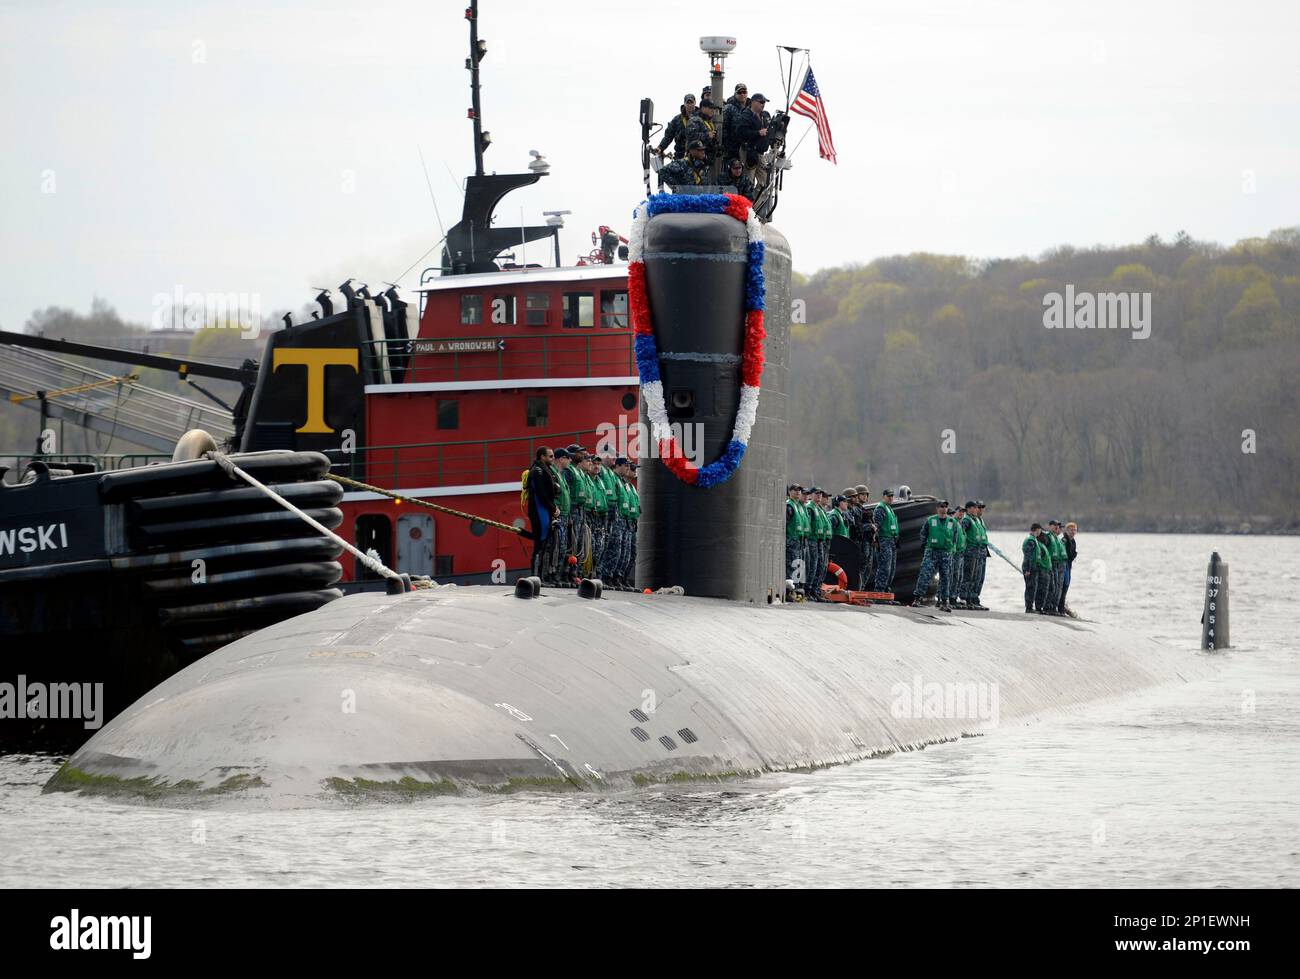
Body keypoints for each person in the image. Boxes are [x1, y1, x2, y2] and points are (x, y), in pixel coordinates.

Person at [910, 500, 955, 611]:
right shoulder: (930, 520)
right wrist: (927, 544)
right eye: (941, 506)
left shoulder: (952, 522)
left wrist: (951, 548)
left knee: (945, 577)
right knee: (925, 574)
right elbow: (923, 533)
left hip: (945, 553)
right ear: (937, 508)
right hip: (932, 552)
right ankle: (918, 598)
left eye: (945, 506)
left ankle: (944, 602)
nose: (944, 508)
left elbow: (955, 537)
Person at [526, 447, 559, 578]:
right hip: (539, 510)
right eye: (550, 456)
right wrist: (553, 508)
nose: (553, 458)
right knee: (540, 543)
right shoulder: (537, 471)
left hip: (545, 509)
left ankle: (541, 576)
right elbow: (541, 494)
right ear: (542, 457)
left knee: (546, 544)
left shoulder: (547, 471)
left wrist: (553, 508)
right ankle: (535, 576)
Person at [544, 448, 572, 586]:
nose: (570, 460)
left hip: (564, 515)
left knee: (561, 547)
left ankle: (556, 575)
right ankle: (548, 575)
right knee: (553, 546)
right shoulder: (552, 474)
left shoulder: (561, 474)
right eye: (568, 458)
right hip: (556, 516)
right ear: (561, 459)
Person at [960, 500, 990, 610]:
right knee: (969, 576)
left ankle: (973, 599)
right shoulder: (967, 520)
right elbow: (961, 533)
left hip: (979, 551)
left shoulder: (977, 520)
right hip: (970, 551)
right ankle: (964, 598)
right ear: (969, 509)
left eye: (981, 507)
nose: (979, 509)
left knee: (977, 577)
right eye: (977, 507)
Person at [805, 486, 832, 601]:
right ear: (811, 495)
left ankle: (815, 590)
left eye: (820, 494)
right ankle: (808, 590)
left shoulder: (819, 509)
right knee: (813, 566)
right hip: (812, 540)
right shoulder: (810, 508)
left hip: (821, 541)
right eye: (816, 493)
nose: (819, 496)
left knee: (820, 566)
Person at [785, 483, 811, 595]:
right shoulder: (789, 505)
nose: (798, 492)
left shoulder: (798, 506)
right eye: (795, 490)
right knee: (791, 566)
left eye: (799, 490)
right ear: (789, 492)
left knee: (798, 566)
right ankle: (789, 591)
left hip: (799, 541)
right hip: (791, 541)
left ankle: (795, 589)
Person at [873, 488, 900, 597]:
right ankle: (880, 591)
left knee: (891, 568)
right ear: (883, 496)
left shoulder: (889, 509)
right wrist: (877, 541)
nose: (891, 498)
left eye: (892, 496)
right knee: (884, 567)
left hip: (892, 541)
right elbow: (876, 527)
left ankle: (886, 591)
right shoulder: (881, 509)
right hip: (884, 541)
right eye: (888, 496)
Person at [585, 454, 608, 576]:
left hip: (600, 517)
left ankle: (595, 574)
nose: (596, 466)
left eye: (599, 464)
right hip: (590, 515)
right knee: (590, 546)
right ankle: (586, 574)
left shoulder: (600, 481)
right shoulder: (587, 479)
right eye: (594, 463)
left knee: (600, 547)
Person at [734, 94, 773, 165]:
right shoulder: (745, 115)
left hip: (761, 153)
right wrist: (758, 133)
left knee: (765, 176)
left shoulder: (765, 115)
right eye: (761, 102)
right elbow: (740, 132)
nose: (763, 104)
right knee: (749, 175)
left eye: (764, 102)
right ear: (753, 102)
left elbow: (770, 130)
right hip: (749, 152)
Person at [1022, 523, 1051, 613]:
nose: (1040, 532)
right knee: (1030, 587)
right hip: (1030, 567)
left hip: (1034, 567)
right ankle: (1029, 607)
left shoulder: (1034, 540)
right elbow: (1028, 556)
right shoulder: (1030, 540)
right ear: (1037, 529)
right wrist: (1027, 569)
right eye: (1040, 530)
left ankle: (1035, 607)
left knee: (1034, 588)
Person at [656, 93, 696, 159]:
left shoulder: (700, 117)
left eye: (691, 102)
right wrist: (660, 147)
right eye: (687, 103)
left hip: (696, 155)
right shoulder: (677, 119)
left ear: (695, 103)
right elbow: (668, 136)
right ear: (684, 104)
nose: (690, 105)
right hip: (680, 154)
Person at [855, 484, 876, 590]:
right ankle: (858, 589)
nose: (865, 497)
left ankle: (861, 589)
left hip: (869, 542)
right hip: (862, 542)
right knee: (862, 567)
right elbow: (857, 526)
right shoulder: (856, 509)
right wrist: (870, 526)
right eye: (862, 494)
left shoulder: (863, 509)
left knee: (868, 568)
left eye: (866, 494)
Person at [721, 82, 749, 159]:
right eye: (739, 92)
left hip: (746, 149)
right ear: (735, 94)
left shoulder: (750, 108)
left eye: (744, 92)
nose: (742, 94)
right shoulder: (728, 108)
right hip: (731, 150)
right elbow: (722, 128)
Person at [1045, 520, 1067, 616]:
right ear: (1050, 526)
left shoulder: (1057, 539)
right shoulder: (1047, 537)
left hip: (1058, 563)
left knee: (1057, 587)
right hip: (1051, 564)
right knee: (1052, 587)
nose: (1057, 527)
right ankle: (1048, 607)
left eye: (1058, 526)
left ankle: (1053, 607)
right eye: (1055, 525)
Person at [947, 503, 967, 607]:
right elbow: (948, 535)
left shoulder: (960, 523)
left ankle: (954, 597)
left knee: (958, 577)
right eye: (960, 511)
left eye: (963, 512)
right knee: (951, 575)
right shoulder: (952, 522)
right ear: (955, 512)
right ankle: (948, 598)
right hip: (953, 553)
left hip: (960, 553)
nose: (961, 514)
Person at [1059, 521, 1078, 614]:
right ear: (1067, 530)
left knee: (1067, 584)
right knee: (1064, 584)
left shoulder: (1073, 541)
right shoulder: (1064, 540)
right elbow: (1062, 553)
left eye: (1075, 530)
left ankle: (1062, 607)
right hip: (1063, 564)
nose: (1073, 532)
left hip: (1069, 565)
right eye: (1071, 530)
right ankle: (1060, 608)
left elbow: (1072, 554)